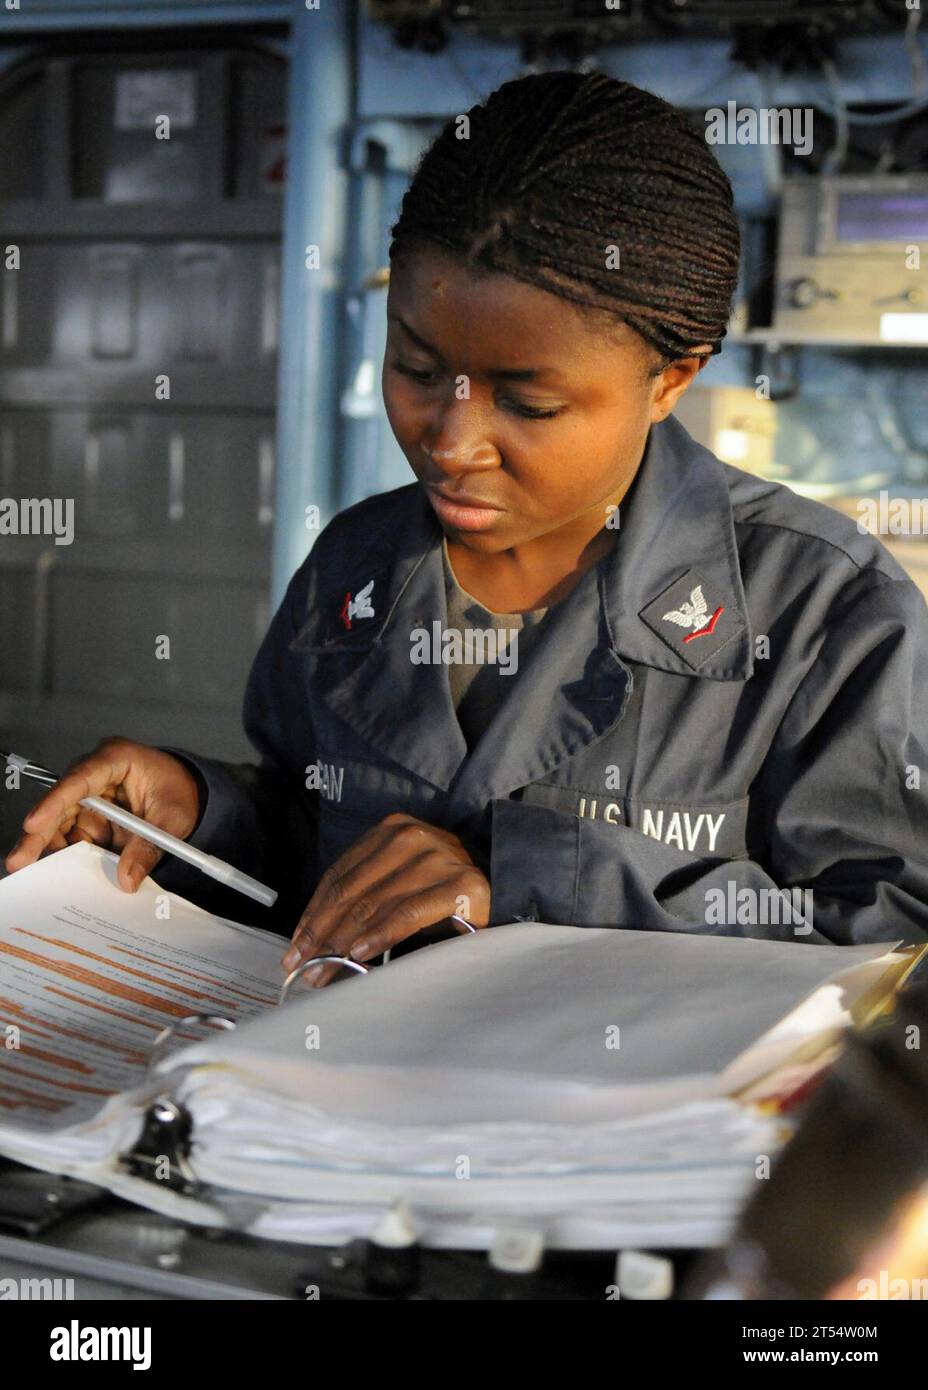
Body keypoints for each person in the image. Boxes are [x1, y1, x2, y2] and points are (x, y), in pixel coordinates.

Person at [6, 71, 928, 983]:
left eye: (527, 403)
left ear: (671, 380)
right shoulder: (356, 564)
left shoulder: (824, 614)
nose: (452, 443)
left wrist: (534, 882)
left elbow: (892, 951)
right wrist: (201, 813)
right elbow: (316, 844)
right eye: (415, 367)